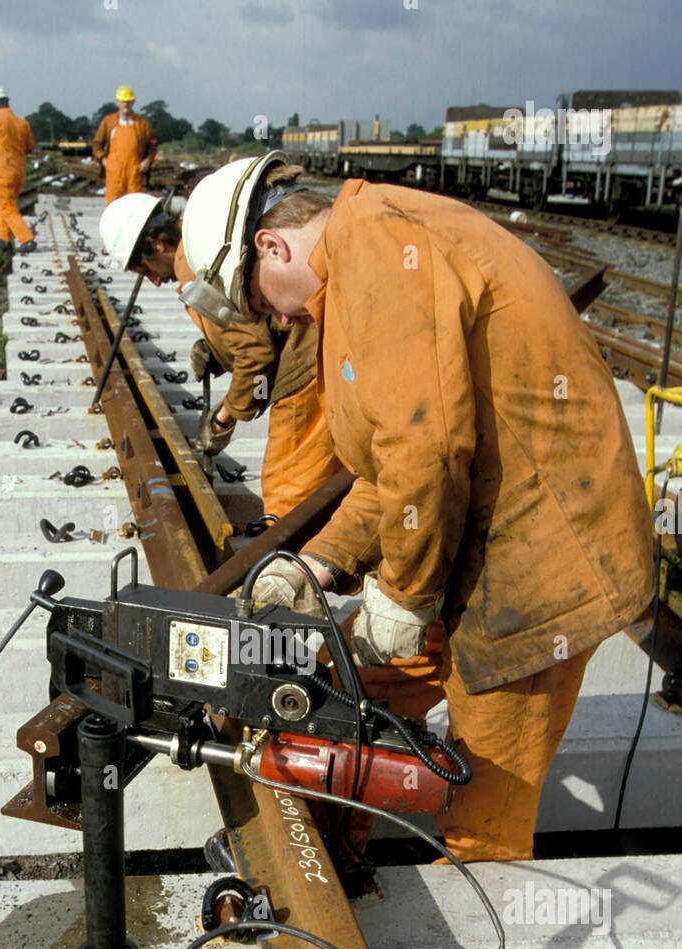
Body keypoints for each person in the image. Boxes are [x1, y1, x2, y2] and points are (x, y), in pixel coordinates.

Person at [177, 154, 656, 864]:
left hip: (534, 570)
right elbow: (386, 468)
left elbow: (423, 450)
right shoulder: (354, 262)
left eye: (260, 302)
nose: (277, 319)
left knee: (478, 815)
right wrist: (317, 563)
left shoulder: (375, 245)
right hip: (466, 540)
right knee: (355, 695)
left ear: (270, 246)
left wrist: (401, 597)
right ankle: (333, 865)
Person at [99, 193, 341, 511]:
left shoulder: (193, 265)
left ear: (156, 245)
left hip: (312, 349)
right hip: (327, 322)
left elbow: (257, 356)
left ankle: (292, 556)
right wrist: (219, 350)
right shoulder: (204, 230)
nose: (155, 281)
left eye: (146, 269)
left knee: (288, 486)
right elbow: (254, 322)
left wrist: (223, 420)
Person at [0, 88, 36, 250]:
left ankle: (26, 238)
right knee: (6, 204)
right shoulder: (22, 123)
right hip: (19, 171)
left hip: (4, 171)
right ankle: (3, 239)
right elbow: (30, 146)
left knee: (7, 207)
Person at [92, 88, 158, 206]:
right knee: (113, 205)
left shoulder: (142, 123)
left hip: (135, 171)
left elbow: (152, 146)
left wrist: (147, 161)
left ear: (133, 102)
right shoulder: (108, 122)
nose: (125, 105)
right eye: (123, 101)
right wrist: (103, 160)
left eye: (128, 101)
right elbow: (97, 144)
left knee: (136, 204)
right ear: (118, 102)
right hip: (114, 172)